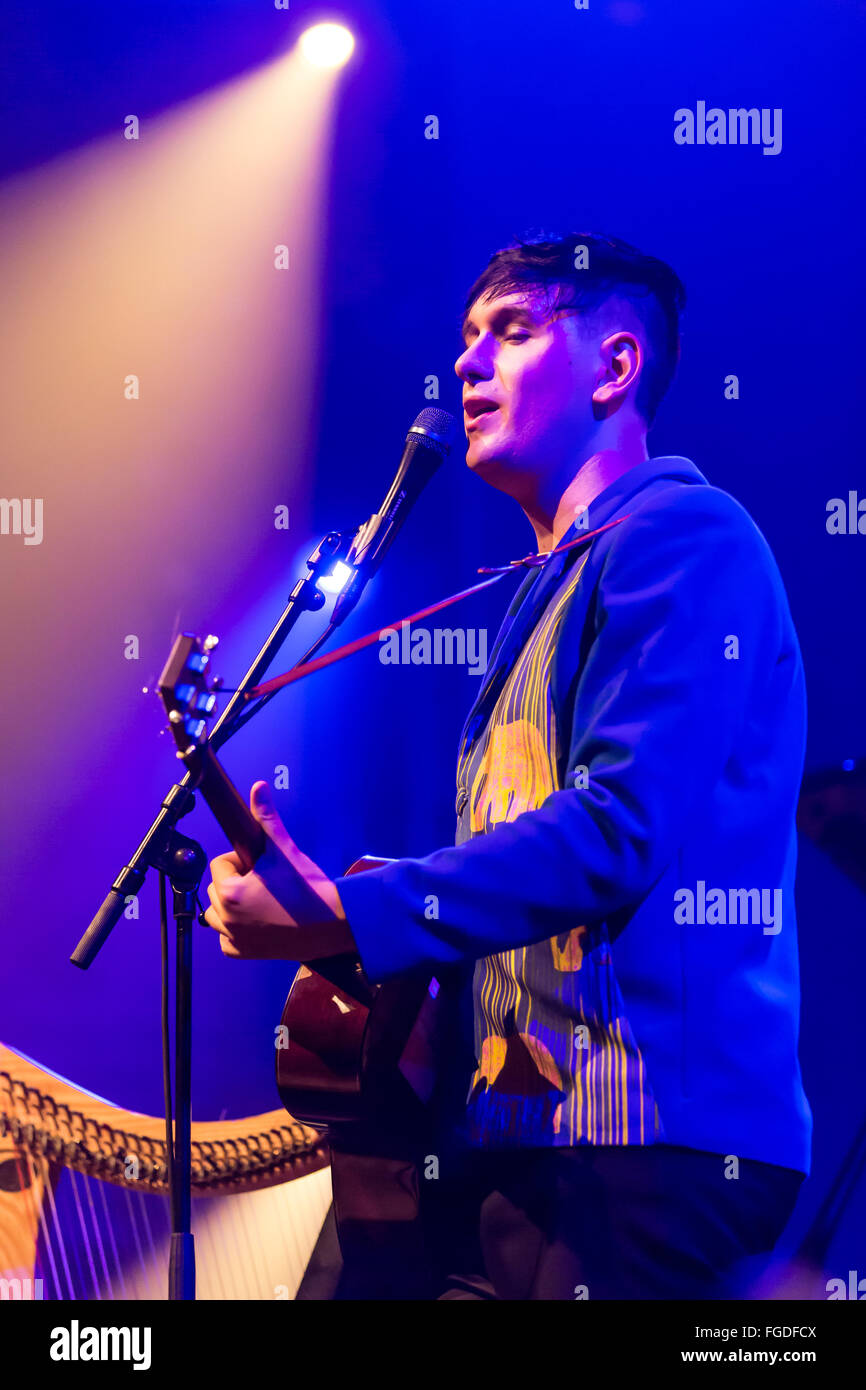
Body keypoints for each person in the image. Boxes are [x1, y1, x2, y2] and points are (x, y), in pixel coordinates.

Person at [204, 232, 812, 1300]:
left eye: (512, 330)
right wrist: (342, 911)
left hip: (645, 1145)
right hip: (525, 1141)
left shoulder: (684, 534)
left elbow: (613, 830)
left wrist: (347, 912)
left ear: (615, 366)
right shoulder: (543, 587)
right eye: (466, 336)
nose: (468, 362)